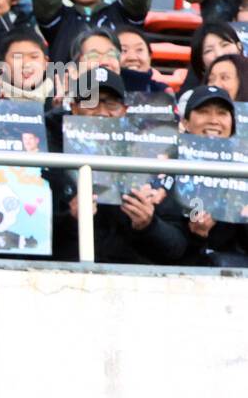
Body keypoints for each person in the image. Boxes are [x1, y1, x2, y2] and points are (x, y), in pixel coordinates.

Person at [46, 67, 186, 264]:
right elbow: (30, 233)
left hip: (131, 273)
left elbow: (177, 247)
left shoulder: (149, 156)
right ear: (74, 107)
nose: (102, 112)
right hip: (63, 268)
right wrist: (70, 219)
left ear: (124, 111)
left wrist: (149, 224)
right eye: (91, 101)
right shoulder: (48, 153)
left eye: (111, 103)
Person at [176, 85, 248, 267]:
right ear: (185, 122)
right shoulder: (170, 161)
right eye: (204, 112)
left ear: (232, 124)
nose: (214, 120)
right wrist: (196, 236)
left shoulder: (244, 166)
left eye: (222, 113)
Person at [183, 21, 244, 92]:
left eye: (225, 45)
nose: (219, 54)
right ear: (201, 61)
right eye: (209, 50)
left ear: (239, 47)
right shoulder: (192, 95)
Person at [0, 28, 55, 101]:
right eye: (17, 57)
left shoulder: (61, 98)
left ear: (46, 63)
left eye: (34, 57)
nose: (26, 64)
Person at [116, 28, 171, 95]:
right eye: (123, 50)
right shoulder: (101, 90)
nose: (132, 57)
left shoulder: (162, 91)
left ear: (149, 57)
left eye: (139, 50)